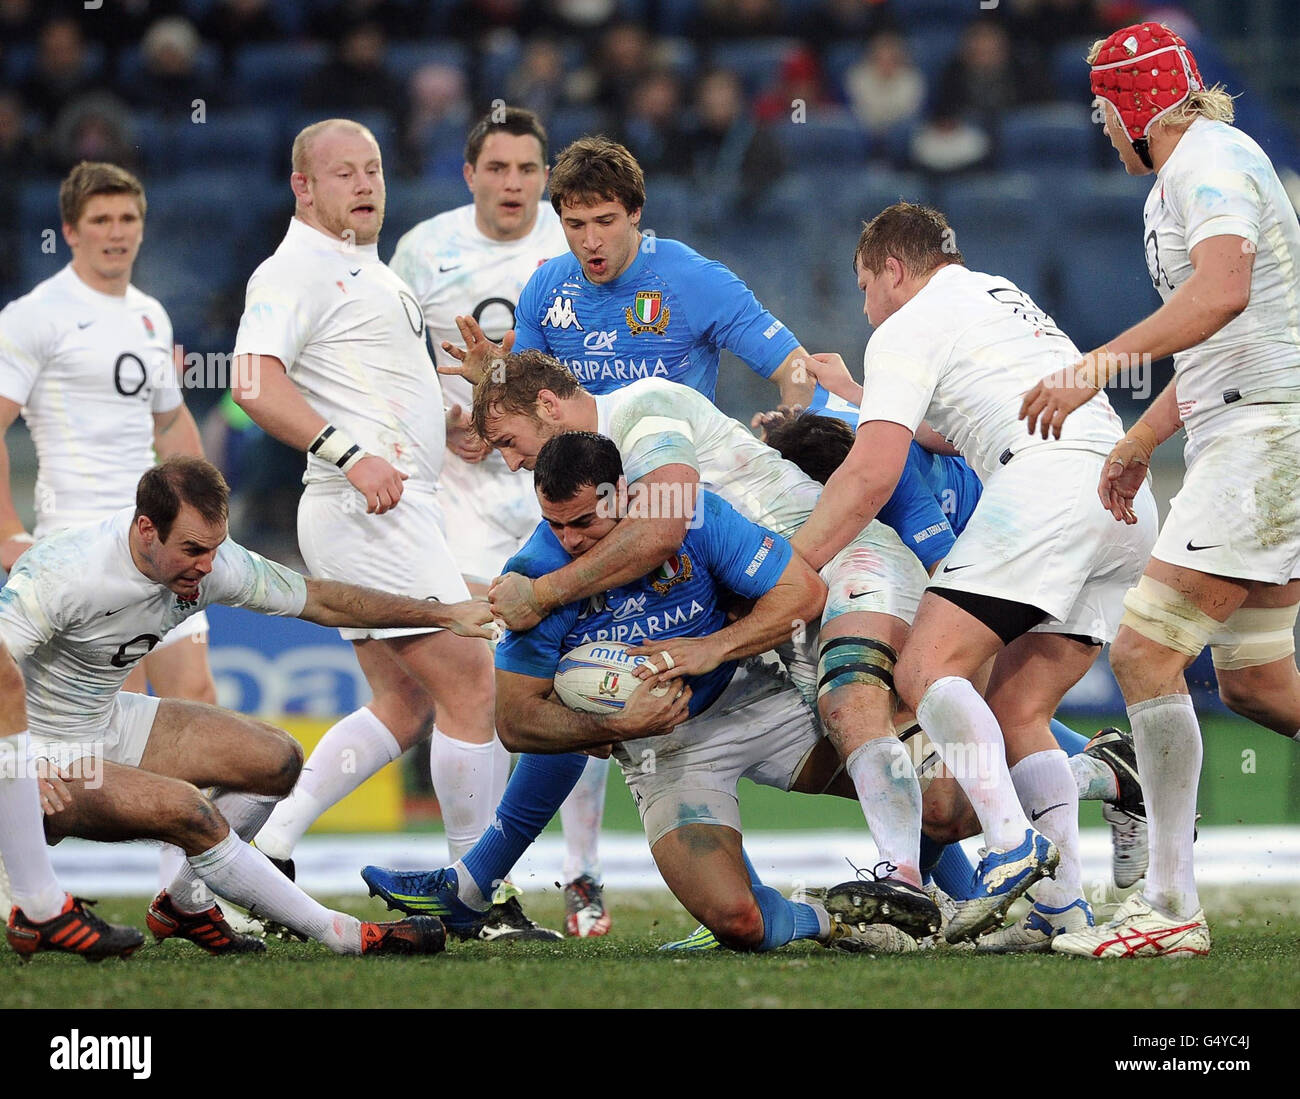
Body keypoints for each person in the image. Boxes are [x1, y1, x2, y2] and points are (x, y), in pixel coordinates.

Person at [379, 350, 939, 941]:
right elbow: (520, 719)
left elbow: (663, 528)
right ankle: (477, 879)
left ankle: (935, 882)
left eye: (510, 441)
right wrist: (613, 725)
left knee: (897, 744)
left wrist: (544, 596)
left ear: (549, 407)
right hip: (757, 620)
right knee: (742, 908)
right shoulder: (553, 537)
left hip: (830, 564)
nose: (514, 462)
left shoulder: (643, 413)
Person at [439, 134, 817, 933]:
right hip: (592, 517)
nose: (589, 240)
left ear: (637, 215)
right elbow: (532, 395)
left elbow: (789, 361)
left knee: (846, 683)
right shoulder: (547, 289)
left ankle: (927, 869)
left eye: (604, 221)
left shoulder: (693, 280)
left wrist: (794, 411)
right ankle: (514, 879)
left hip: (686, 526)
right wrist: (490, 387)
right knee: (576, 680)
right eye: (573, 222)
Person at [795, 202, 1158, 948]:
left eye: (865, 286)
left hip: (1046, 487)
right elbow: (949, 425)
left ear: (894, 270)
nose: (866, 307)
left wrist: (795, 563)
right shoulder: (998, 294)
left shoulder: (904, 324)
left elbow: (872, 471)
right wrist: (863, 398)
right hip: (1123, 496)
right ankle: (1061, 909)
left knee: (926, 668)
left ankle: (1010, 844)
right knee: (1018, 707)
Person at [230, 119, 552, 941]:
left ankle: (266, 851)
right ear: (303, 187)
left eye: (373, 168)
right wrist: (349, 453)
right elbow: (253, 383)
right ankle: (471, 893)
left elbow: (366, 388)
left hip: (388, 506)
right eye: (344, 173)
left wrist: (453, 426)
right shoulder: (293, 269)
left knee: (404, 701)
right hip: (363, 507)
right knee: (473, 682)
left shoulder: (365, 270)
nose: (365, 184)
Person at [1019, 22, 1300, 958]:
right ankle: (1170, 899)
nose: (1100, 129)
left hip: (1264, 434)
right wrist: (1143, 434)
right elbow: (1223, 324)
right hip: (1250, 422)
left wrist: (1099, 369)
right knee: (1258, 683)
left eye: (1104, 110)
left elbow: (1220, 292)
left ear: (1135, 105)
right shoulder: (1204, 166)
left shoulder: (1204, 165)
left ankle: (1170, 906)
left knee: (1144, 654)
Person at [1, 457, 493, 956]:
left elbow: (322, 601)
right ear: (145, 529)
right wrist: (22, 771)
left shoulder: (209, 562)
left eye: (215, 548)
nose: (208, 566)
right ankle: (344, 935)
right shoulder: (61, 571)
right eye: (193, 549)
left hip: (106, 719)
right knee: (189, 812)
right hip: (44, 751)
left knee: (277, 759)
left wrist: (443, 614)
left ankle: (184, 903)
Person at [390, 106, 605, 937]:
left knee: (576, 677)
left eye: (527, 169)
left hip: (559, 486)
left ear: (543, 175)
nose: (514, 182)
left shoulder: (571, 244)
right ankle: (479, 871)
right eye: (499, 167)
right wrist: (441, 420)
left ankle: (579, 875)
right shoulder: (424, 250)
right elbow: (396, 362)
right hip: (461, 496)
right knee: (484, 685)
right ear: (470, 173)